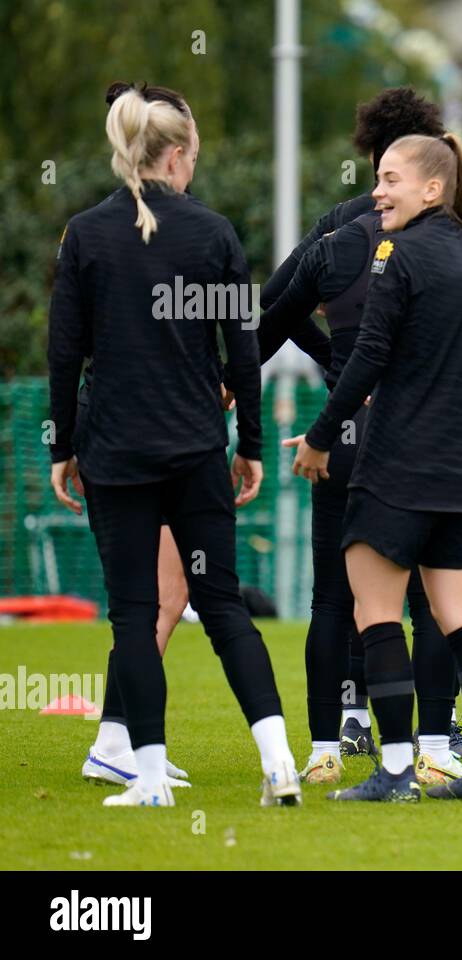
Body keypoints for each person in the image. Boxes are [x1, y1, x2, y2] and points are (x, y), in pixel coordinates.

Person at [48, 82, 300, 807]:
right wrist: (249, 442)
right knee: (223, 606)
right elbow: (243, 352)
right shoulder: (214, 233)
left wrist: (62, 447)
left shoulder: (86, 235)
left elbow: (65, 355)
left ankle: (148, 776)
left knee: (133, 611)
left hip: (117, 451)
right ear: (178, 154)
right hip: (194, 448)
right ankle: (279, 763)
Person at [286, 132, 462, 801]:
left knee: (376, 615)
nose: (377, 193)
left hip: (393, 467)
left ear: (432, 188)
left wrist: (320, 435)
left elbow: (366, 356)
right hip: (455, 472)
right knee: (461, 617)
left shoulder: (396, 252)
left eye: (390, 179)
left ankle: (392, 772)